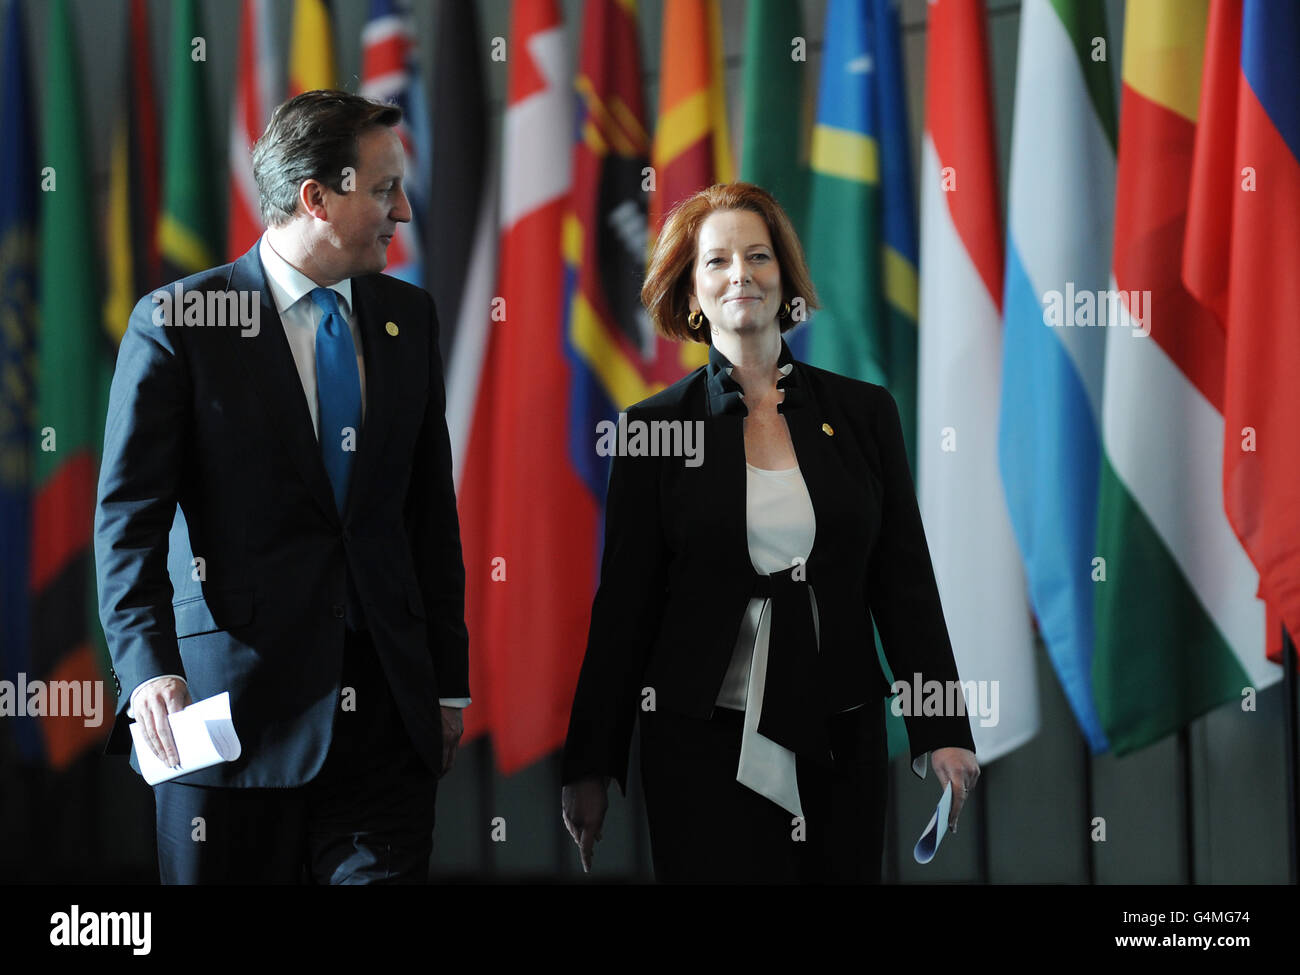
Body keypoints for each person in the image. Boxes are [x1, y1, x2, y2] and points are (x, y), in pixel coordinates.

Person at [95, 90, 469, 884]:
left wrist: (449, 684)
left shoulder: (411, 318)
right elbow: (128, 521)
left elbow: (429, 513)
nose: (403, 208)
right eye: (382, 189)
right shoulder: (179, 321)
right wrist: (148, 670)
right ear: (316, 197)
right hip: (228, 726)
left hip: (386, 725)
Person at [560, 182, 979, 883]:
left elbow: (903, 585)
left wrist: (943, 730)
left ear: (784, 278)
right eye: (717, 260)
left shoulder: (864, 414)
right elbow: (625, 608)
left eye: (758, 256)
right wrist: (590, 764)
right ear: (691, 292)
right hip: (700, 746)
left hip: (840, 737)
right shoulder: (654, 429)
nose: (741, 274)